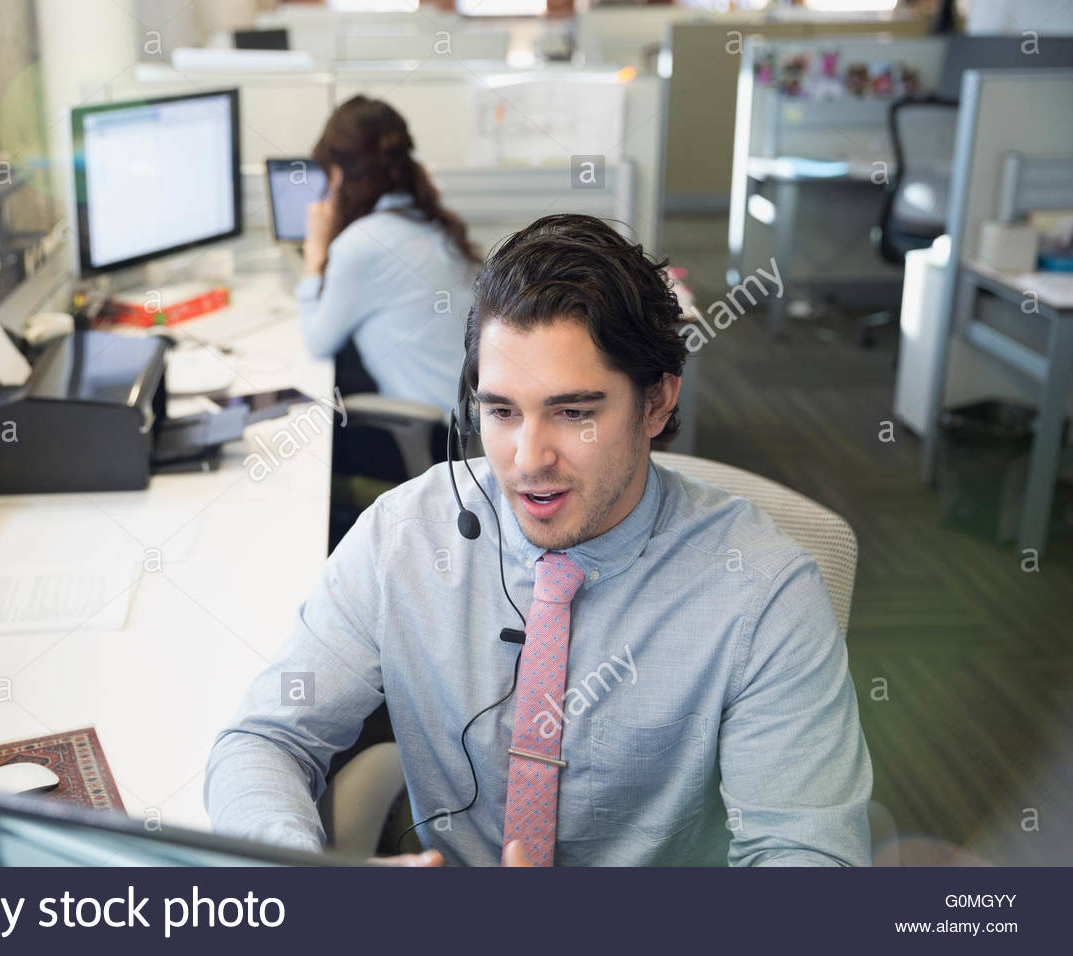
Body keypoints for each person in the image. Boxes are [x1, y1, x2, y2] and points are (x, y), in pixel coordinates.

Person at [205, 214, 873, 867]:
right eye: (500, 411)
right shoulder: (402, 537)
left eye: (573, 412)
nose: (527, 459)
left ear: (658, 402)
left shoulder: (763, 591)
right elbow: (262, 743)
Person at [296, 96, 482, 415]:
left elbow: (317, 344)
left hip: (434, 439)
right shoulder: (425, 218)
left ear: (338, 175)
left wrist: (315, 255)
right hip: (468, 421)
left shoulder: (360, 246)